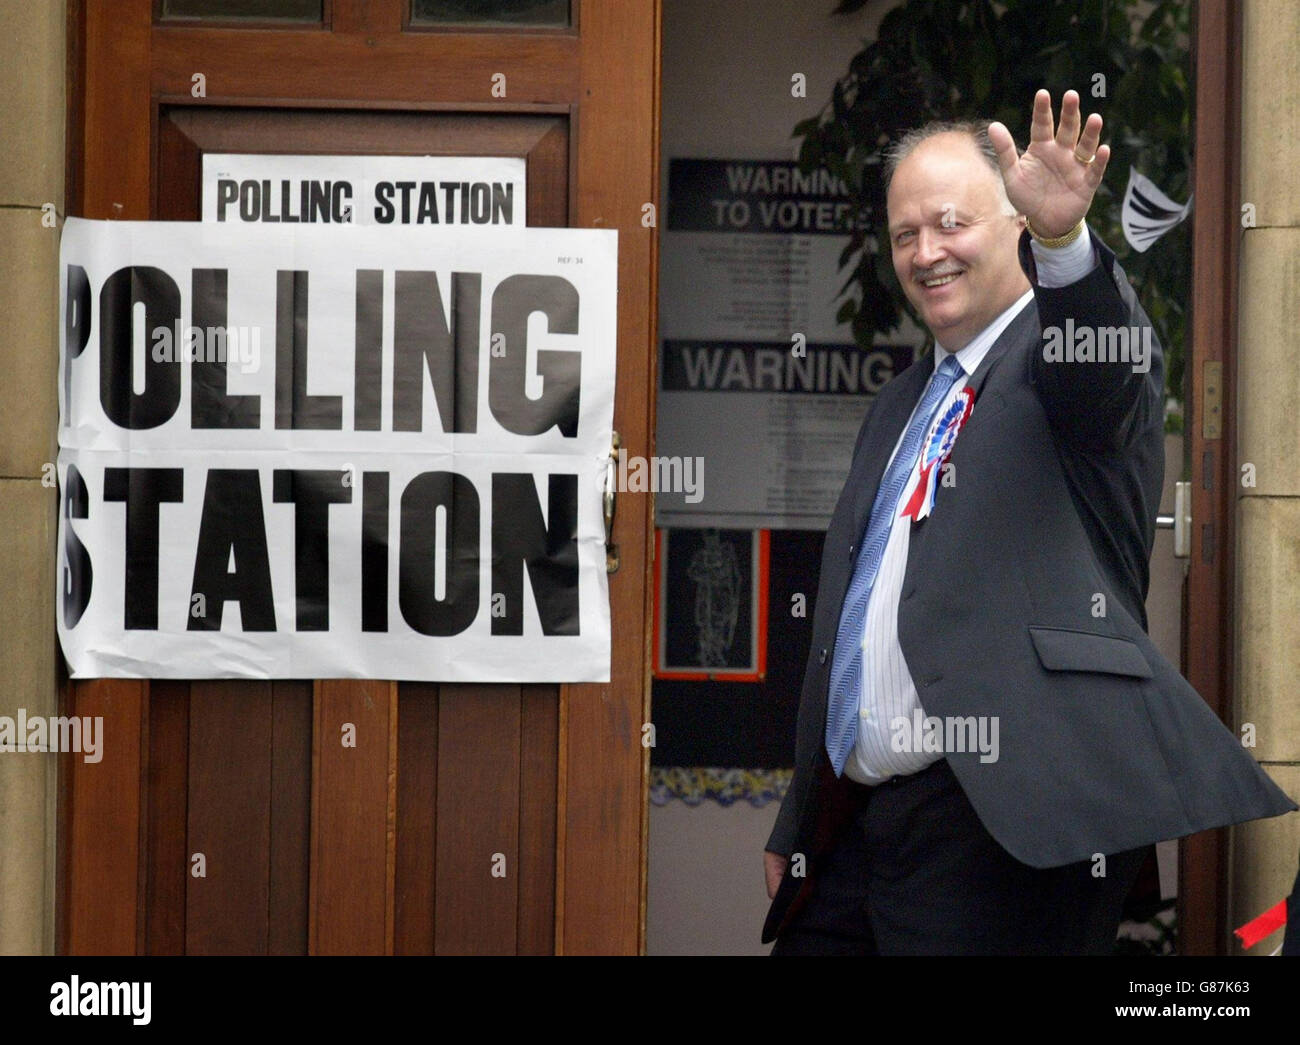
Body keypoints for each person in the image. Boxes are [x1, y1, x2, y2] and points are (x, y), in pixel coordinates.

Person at [761, 90, 1296, 956]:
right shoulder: (900, 400)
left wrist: (1065, 245)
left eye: (949, 224)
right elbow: (847, 618)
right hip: (857, 833)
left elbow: (1104, 367)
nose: (926, 252)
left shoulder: (1068, 357)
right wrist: (799, 819)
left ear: (1015, 221)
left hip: (1001, 829)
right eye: (905, 235)